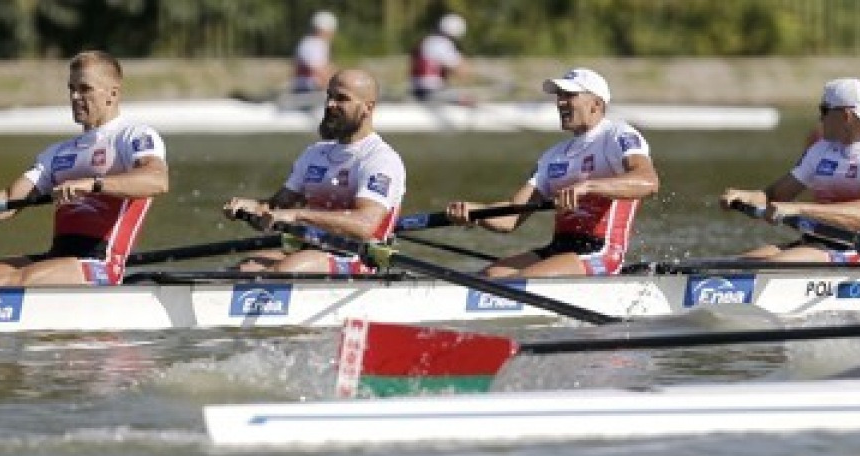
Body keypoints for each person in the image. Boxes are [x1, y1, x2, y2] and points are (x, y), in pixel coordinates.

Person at [0, 50, 169, 287]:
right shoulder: (57, 153)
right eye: (71, 88)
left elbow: (157, 180)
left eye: (84, 89)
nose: (74, 96)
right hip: (57, 259)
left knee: (15, 281)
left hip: (100, 265)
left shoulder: (133, 136)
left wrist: (92, 184)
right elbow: (11, 199)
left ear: (112, 94)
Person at [445, 67, 659, 278]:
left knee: (517, 281)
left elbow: (648, 182)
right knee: (490, 276)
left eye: (569, 95)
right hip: (559, 248)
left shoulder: (617, 135)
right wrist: (475, 213)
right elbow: (512, 215)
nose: (560, 102)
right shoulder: (552, 155)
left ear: (596, 104)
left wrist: (588, 187)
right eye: (559, 96)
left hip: (601, 252)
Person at [222, 68, 406, 274]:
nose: (330, 105)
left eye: (341, 99)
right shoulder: (314, 154)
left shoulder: (380, 159)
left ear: (367, 108)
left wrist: (297, 215)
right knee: (245, 268)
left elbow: (365, 226)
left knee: (287, 269)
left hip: (359, 258)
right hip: (309, 251)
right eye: (329, 96)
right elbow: (277, 208)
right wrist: (255, 207)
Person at [719, 77, 860, 263]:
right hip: (814, 244)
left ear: (846, 116)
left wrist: (798, 209)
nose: (820, 117)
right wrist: (744, 197)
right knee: (734, 264)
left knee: (775, 265)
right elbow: (775, 196)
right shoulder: (820, 150)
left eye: (824, 110)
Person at [410, 13, 467, 101]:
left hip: (416, 90)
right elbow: (462, 72)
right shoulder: (442, 43)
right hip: (431, 92)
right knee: (469, 99)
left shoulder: (427, 41)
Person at [291, 10, 338, 94]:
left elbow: (328, 69)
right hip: (307, 90)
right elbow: (318, 71)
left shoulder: (321, 44)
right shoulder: (310, 44)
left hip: (314, 89)